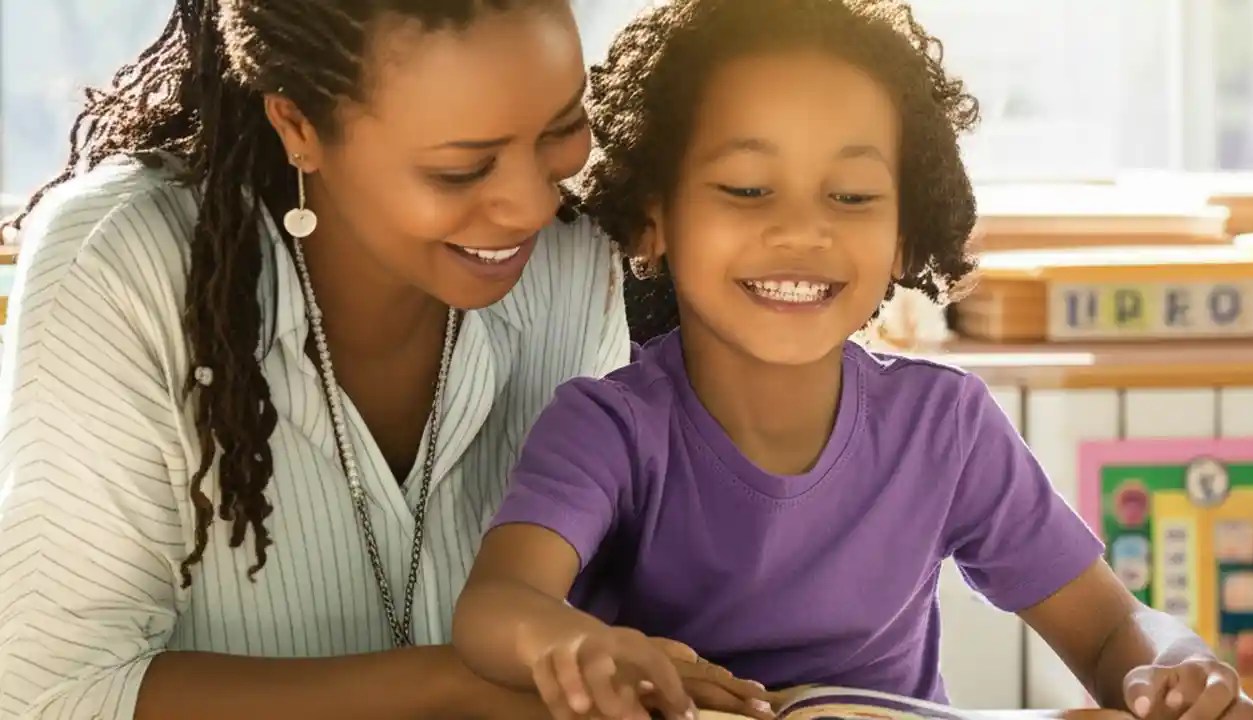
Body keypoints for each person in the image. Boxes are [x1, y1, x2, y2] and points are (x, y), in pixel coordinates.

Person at [451, 2, 1253, 720]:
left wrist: (1176, 666)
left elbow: (1113, 628)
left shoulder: (946, 426)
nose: (804, 230)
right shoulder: (607, 427)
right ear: (652, 217)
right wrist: (575, 645)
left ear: (904, 233)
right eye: (745, 188)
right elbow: (498, 604)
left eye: (851, 196)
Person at [0, 2, 770, 719]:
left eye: (562, 129)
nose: (533, 205)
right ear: (298, 124)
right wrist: (461, 681)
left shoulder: (570, 255)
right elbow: (55, 694)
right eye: (462, 169)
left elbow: (591, 582)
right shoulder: (124, 260)